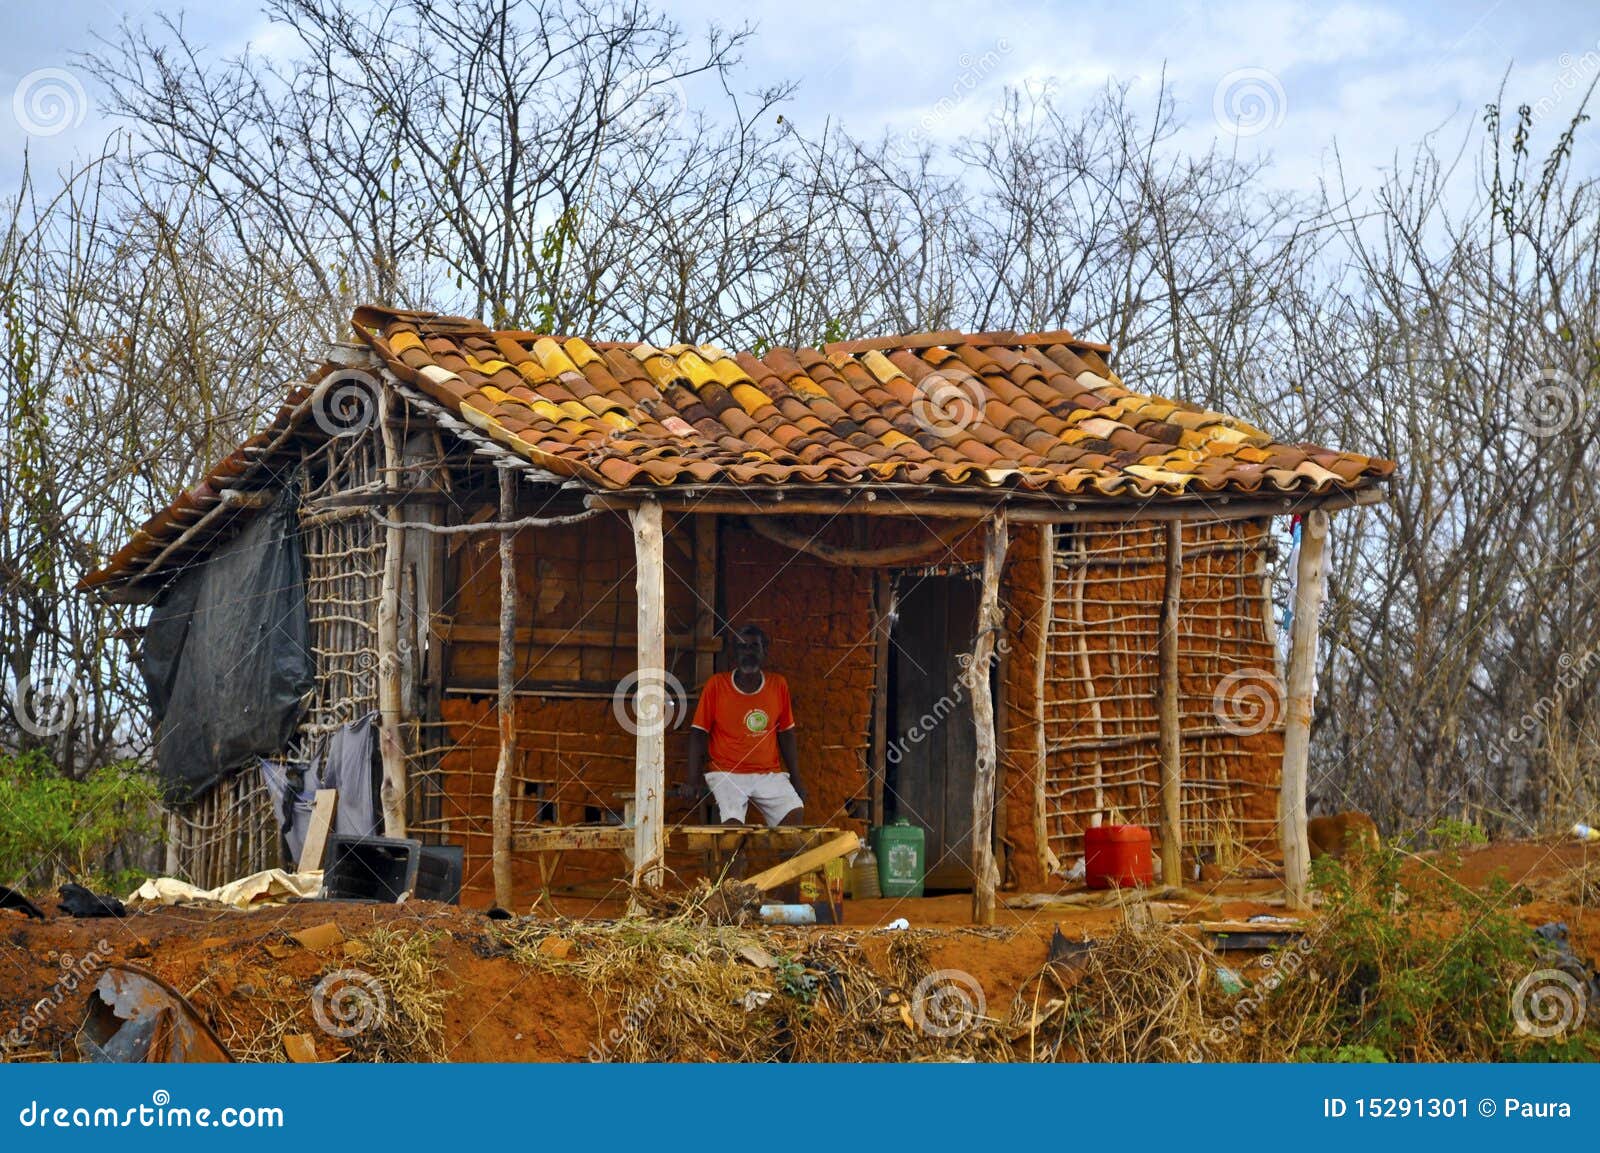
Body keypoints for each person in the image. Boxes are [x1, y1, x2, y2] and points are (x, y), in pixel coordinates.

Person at [684, 624, 806, 827]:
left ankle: (778, 860)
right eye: (742, 647)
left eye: (754, 647)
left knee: (794, 815)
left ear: (764, 650)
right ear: (734, 653)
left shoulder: (778, 685)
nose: (748, 652)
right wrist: (692, 779)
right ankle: (736, 860)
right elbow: (699, 733)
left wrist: (796, 778)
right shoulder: (717, 685)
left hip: (768, 773)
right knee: (731, 827)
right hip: (727, 773)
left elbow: (786, 734)